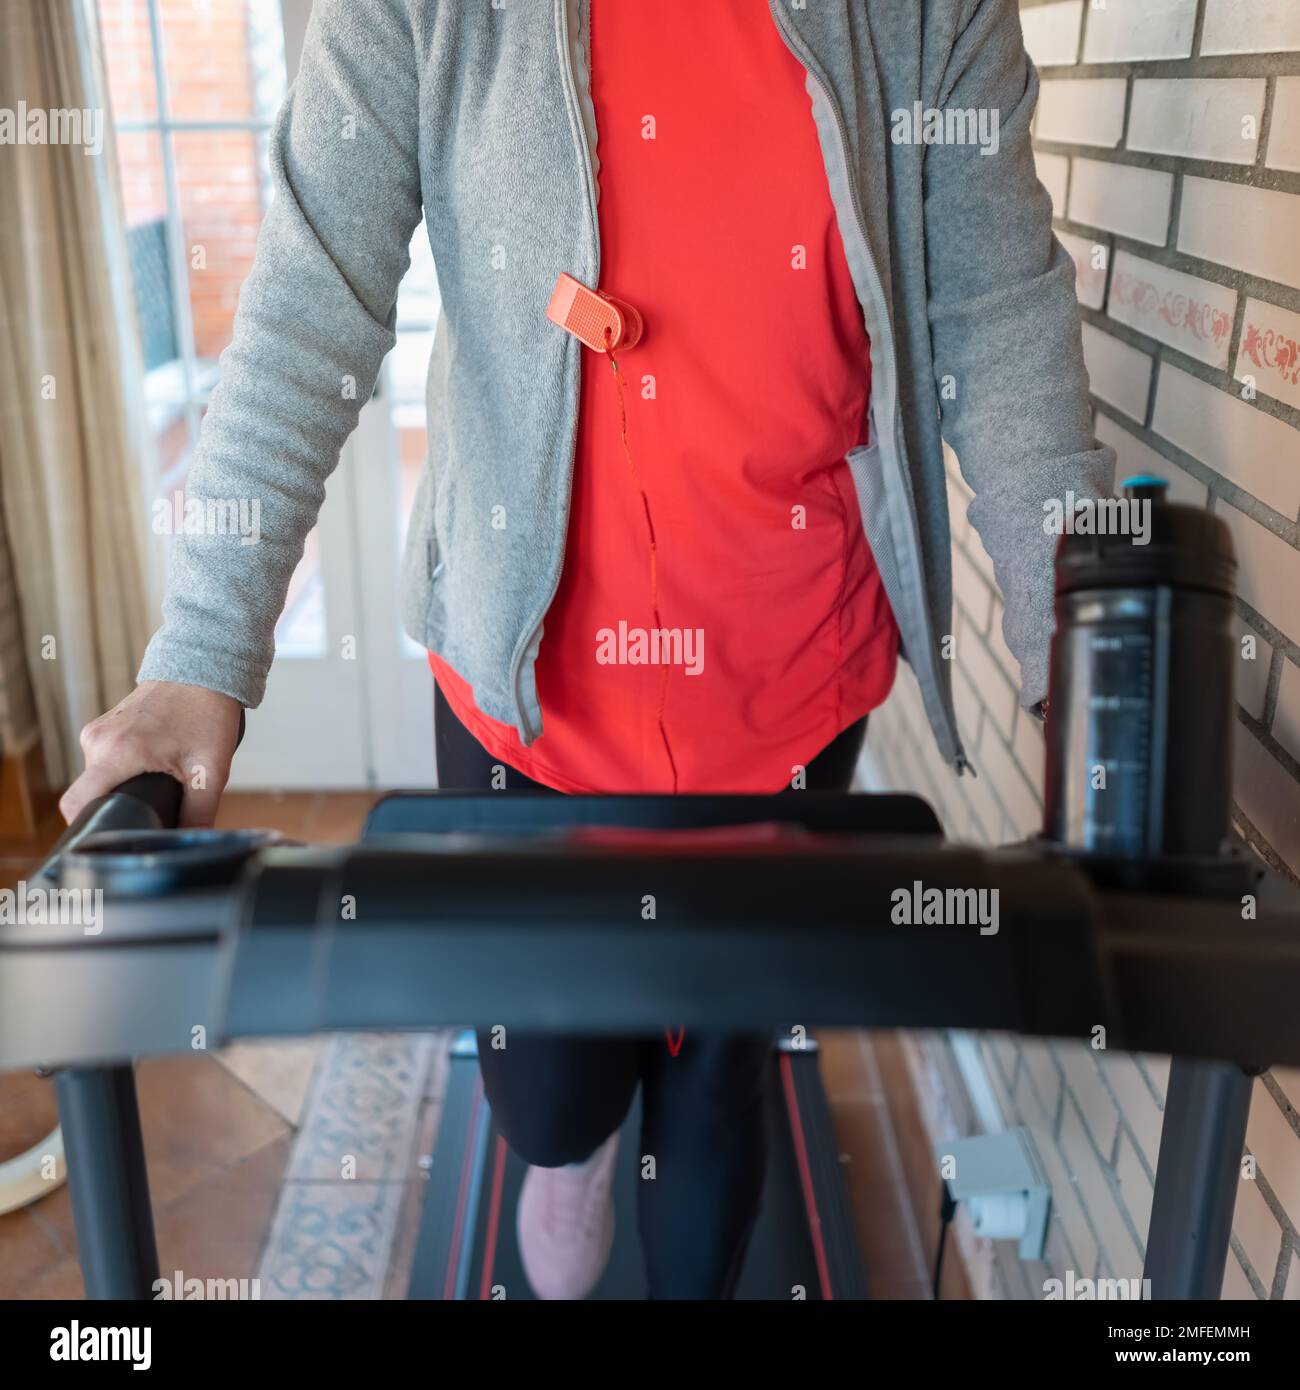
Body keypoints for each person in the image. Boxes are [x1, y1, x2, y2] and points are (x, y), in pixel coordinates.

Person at [63, 0, 1113, 1299]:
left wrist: (1086, 643)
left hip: (789, 687)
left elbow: (1002, 323)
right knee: (555, 1114)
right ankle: (568, 1172)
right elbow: (302, 310)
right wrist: (201, 651)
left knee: (723, 1067)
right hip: (529, 704)